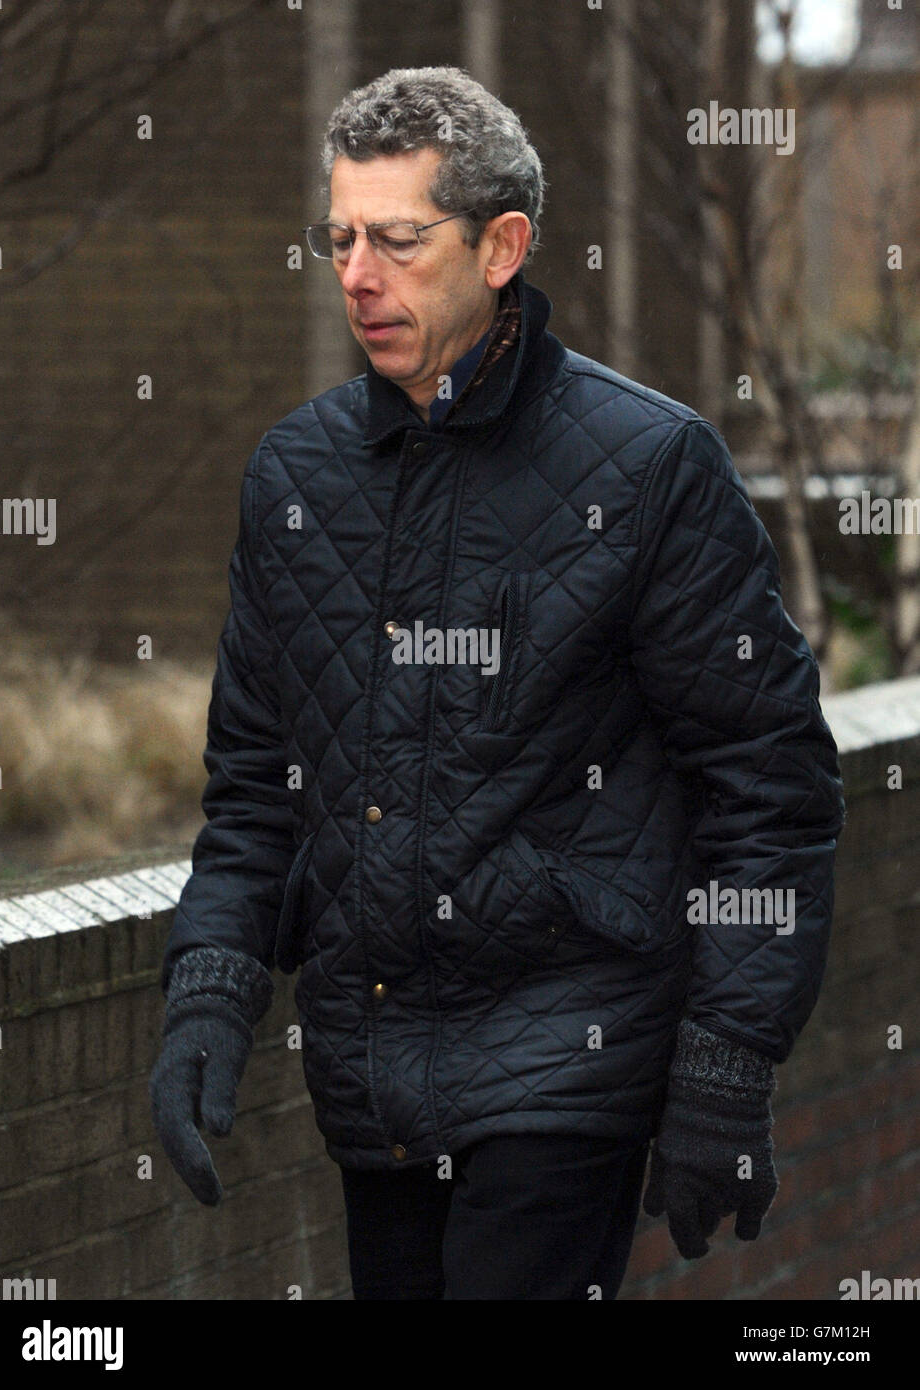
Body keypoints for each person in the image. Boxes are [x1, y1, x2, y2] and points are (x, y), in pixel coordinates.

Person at [149, 65, 846, 1300]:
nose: (359, 274)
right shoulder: (294, 478)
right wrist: (211, 985)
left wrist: (729, 1061)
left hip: (567, 1063)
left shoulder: (650, 469)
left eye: (400, 242)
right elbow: (256, 785)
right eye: (342, 239)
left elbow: (769, 789)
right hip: (370, 1074)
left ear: (503, 244)